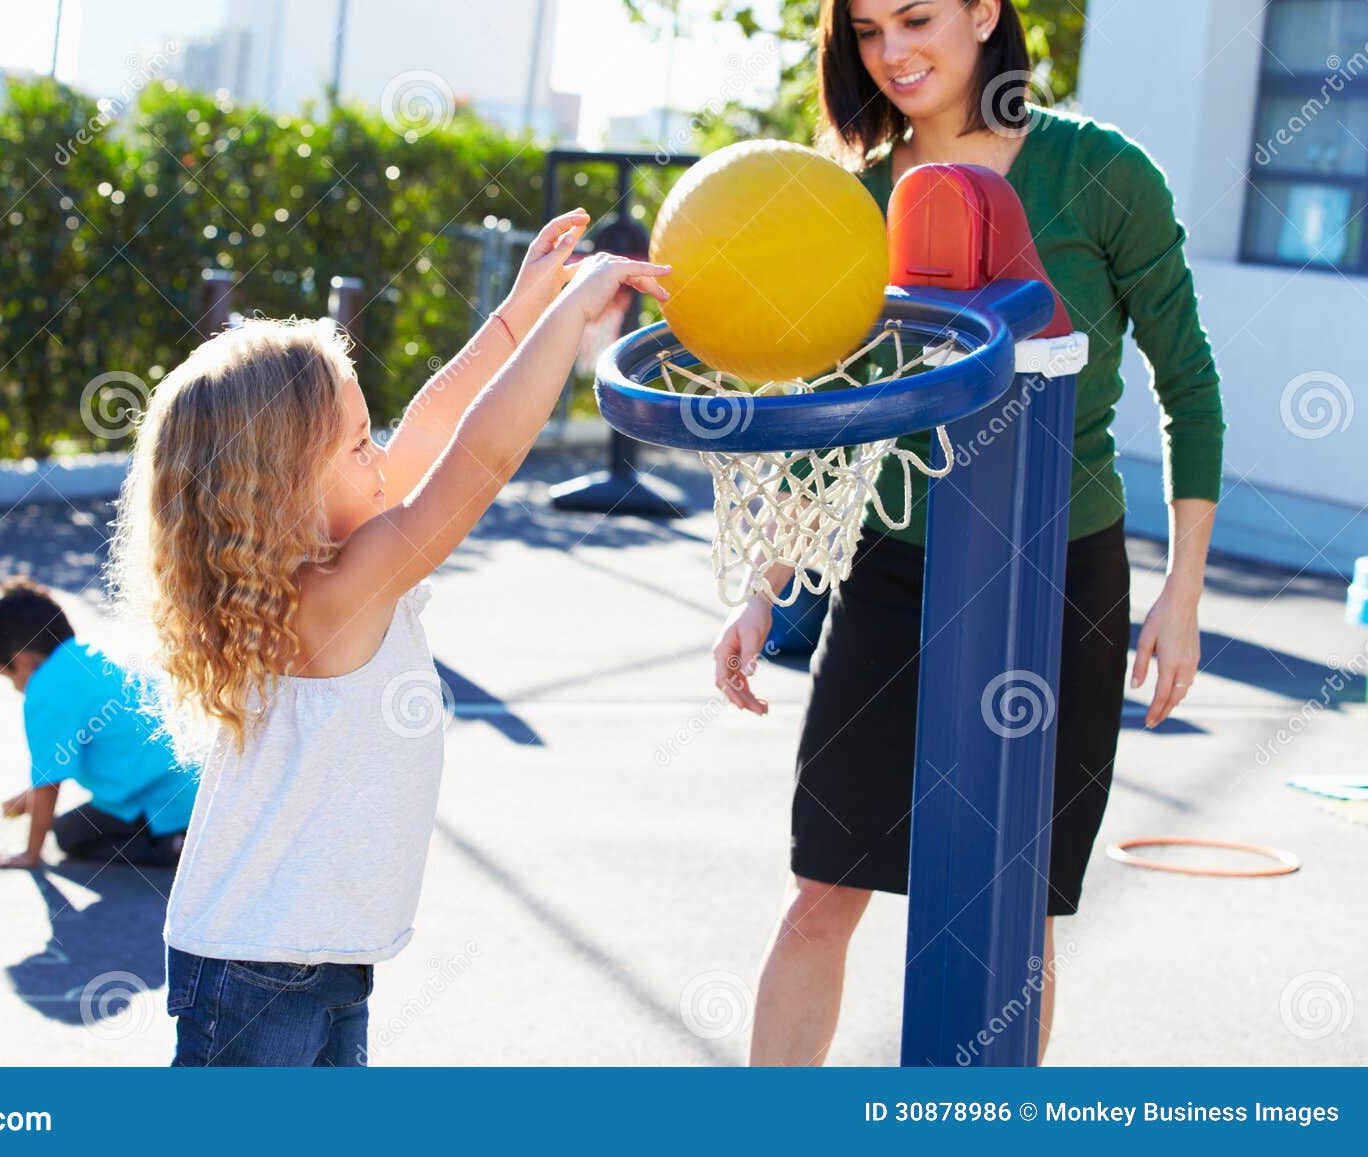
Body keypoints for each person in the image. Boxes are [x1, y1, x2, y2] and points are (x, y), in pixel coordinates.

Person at [712, 0, 1225, 1066]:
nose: (893, 52)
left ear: (986, 11)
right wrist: (763, 585)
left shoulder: (1102, 172)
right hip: (897, 570)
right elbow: (829, 405)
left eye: (916, 18)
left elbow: (1187, 384)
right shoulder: (855, 196)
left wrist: (1182, 592)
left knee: (1008, 916)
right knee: (819, 892)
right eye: (865, 32)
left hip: (1059, 579)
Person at [106, 209, 669, 1067]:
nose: (384, 456)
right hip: (260, 971)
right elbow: (478, 460)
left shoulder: (326, 550)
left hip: (320, 955)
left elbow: (437, 424)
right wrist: (569, 318)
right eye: (362, 443)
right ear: (282, 488)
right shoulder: (329, 596)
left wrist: (519, 308)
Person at [0, 577, 196, 870]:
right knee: (72, 821)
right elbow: (61, 760)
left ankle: (173, 846)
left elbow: (49, 780)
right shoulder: (89, 655)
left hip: (158, 803)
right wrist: (29, 798)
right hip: (192, 785)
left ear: (23, 661)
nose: (16, 687)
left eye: (9, 676)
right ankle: (183, 837)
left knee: (69, 834)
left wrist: (30, 855)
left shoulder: (44, 691)